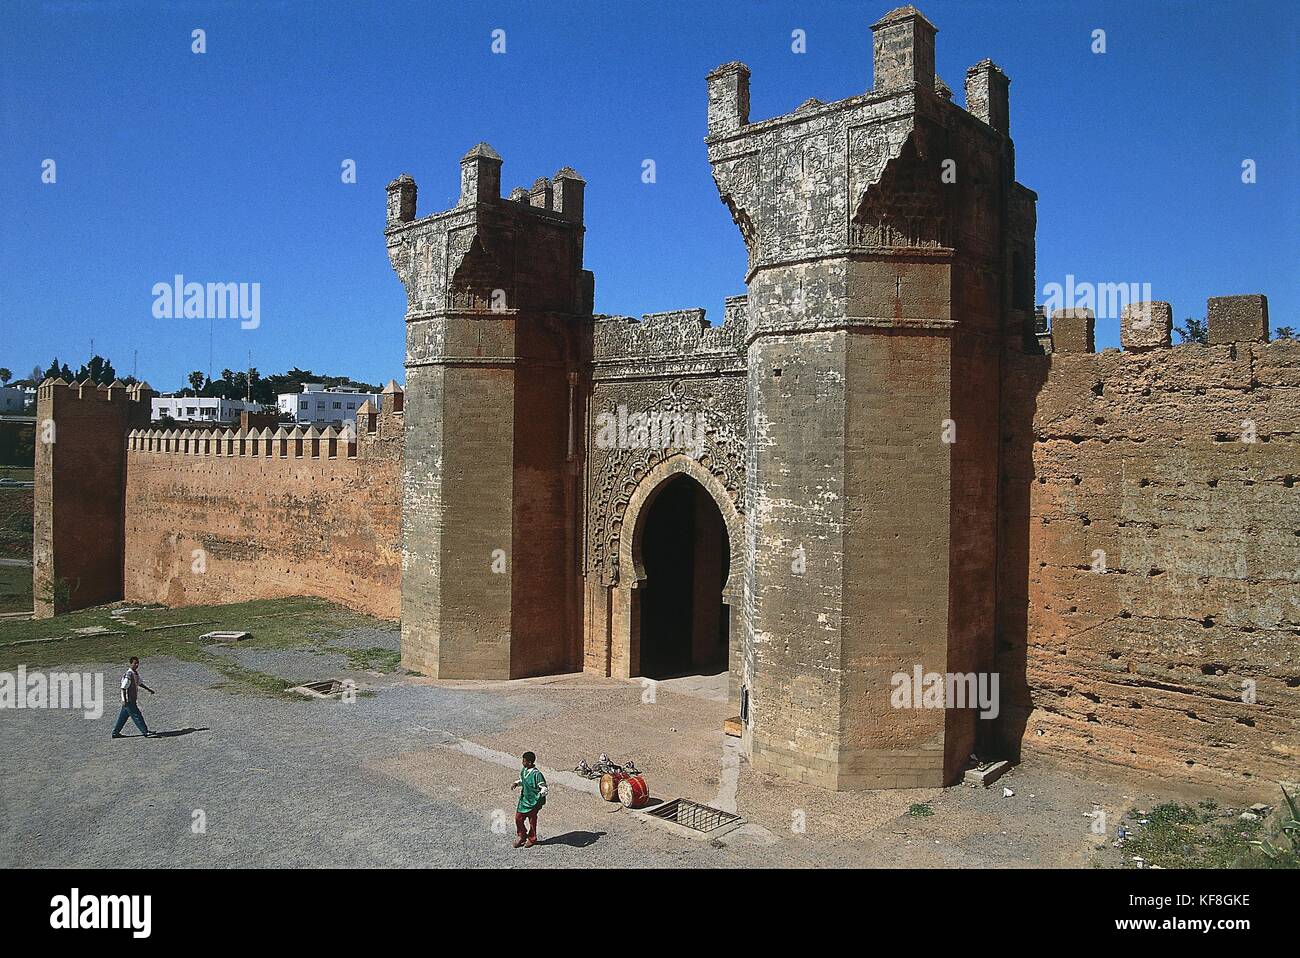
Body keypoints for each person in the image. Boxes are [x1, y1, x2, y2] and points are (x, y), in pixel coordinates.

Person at [111, 656, 155, 739]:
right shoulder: (129, 675)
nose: (137, 665)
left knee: (122, 717)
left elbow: (139, 683)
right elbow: (123, 688)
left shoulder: (135, 674)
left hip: (131, 700)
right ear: (131, 663)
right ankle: (145, 731)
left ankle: (115, 733)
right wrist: (124, 700)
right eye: (135, 663)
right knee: (137, 715)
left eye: (137, 663)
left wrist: (149, 690)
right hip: (129, 701)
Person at [511, 751, 547, 847]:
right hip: (524, 800)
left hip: (533, 802)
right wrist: (517, 783)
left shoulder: (537, 774)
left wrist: (539, 795)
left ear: (530, 762)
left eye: (524, 761)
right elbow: (523, 780)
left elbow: (544, 788)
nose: (523, 762)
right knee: (518, 818)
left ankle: (532, 838)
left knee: (532, 821)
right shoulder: (524, 770)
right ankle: (521, 836)